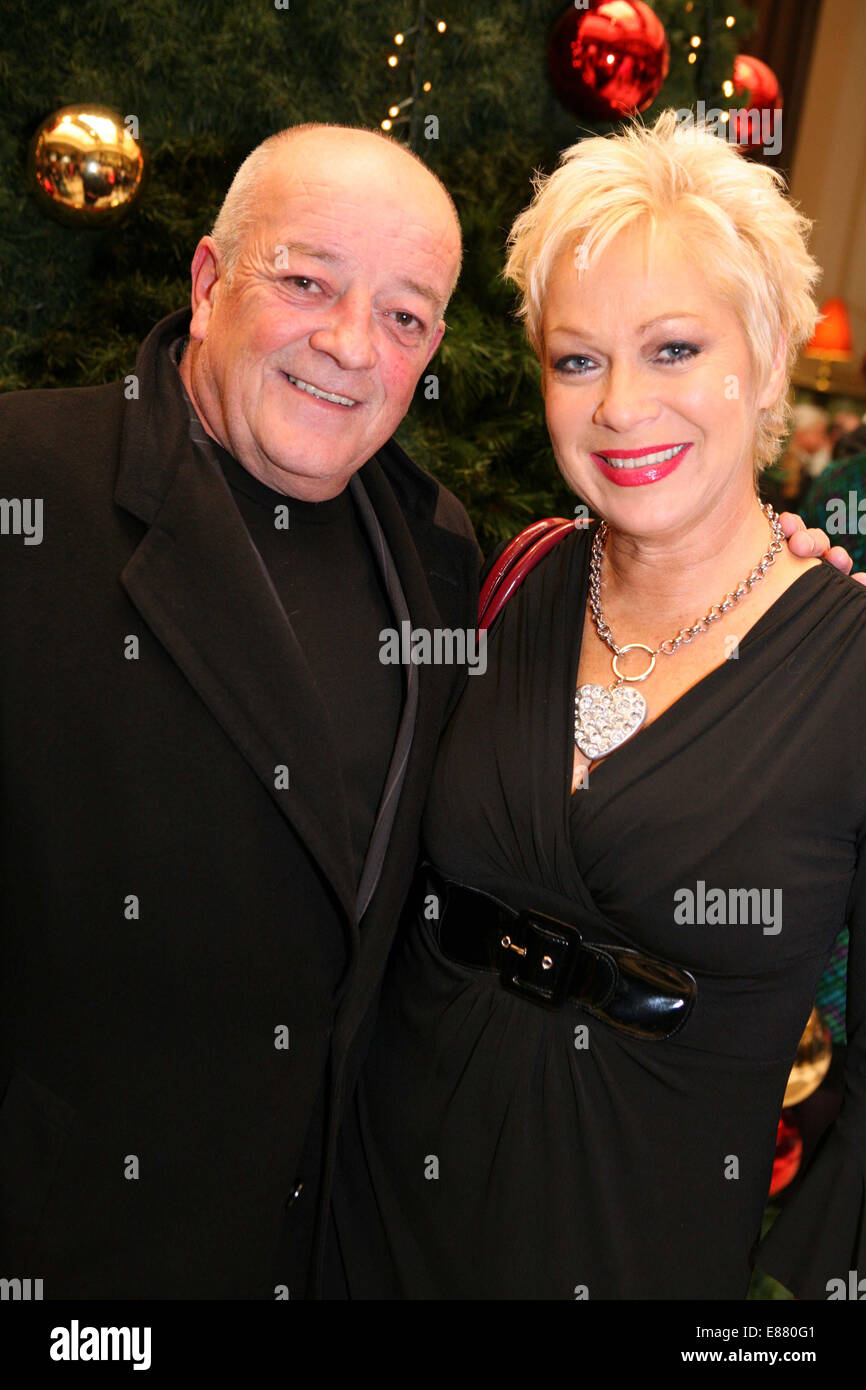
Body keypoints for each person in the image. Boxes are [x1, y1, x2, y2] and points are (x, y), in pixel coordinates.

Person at [328, 112, 866, 1301]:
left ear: (767, 357)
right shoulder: (500, 580)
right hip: (373, 1221)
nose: (621, 406)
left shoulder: (845, 666)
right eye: (577, 359)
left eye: (672, 348)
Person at [0, 124, 479, 1299]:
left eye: (404, 315)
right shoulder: (22, 483)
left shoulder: (442, 548)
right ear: (209, 282)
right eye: (306, 281)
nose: (349, 344)